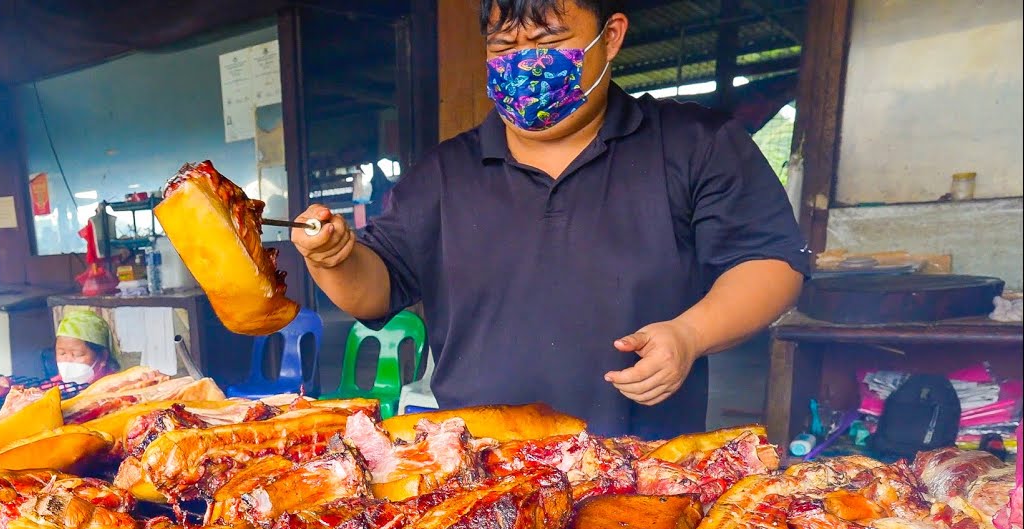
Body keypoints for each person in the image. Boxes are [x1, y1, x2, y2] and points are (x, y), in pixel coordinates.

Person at [293, 0, 809, 438]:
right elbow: (375, 290)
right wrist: (334, 259)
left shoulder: (695, 145)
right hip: (480, 469)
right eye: (504, 48)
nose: (526, 64)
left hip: (636, 467)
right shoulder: (443, 173)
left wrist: (690, 334)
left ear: (610, 36)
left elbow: (769, 264)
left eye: (548, 42)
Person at [54, 309, 119, 384]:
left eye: (77, 354)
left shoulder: (117, 388)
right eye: (62, 353)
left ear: (103, 356)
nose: (68, 360)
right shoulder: (50, 388)